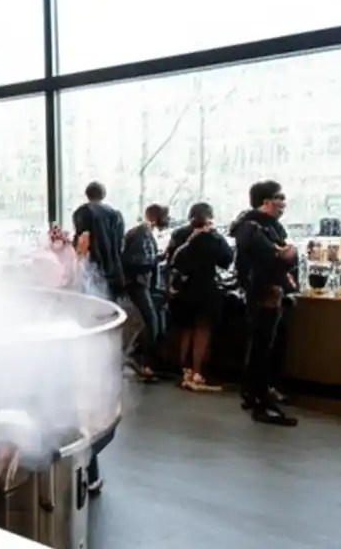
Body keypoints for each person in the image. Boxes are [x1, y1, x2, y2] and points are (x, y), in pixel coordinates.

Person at [231, 180, 299, 427]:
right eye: (279, 198)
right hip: (262, 292)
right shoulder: (252, 227)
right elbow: (276, 257)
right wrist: (285, 254)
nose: (283, 203)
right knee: (261, 347)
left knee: (263, 346)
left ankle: (254, 393)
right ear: (266, 201)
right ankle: (260, 401)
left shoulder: (268, 227)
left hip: (270, 291)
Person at [167, 202, 233, 392]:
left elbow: (171, 259)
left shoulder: (179, 234)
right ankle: (198, 373)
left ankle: (185, 372)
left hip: (183, 289)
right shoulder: (212, 237)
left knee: (186, 329)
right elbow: (226, 260)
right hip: (205, 287)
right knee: (203, 330)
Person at [122, 204, 169, 381]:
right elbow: (134, 260)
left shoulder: (143, 233)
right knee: (151, 321)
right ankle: (142, 361)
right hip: (138, 283)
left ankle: (141, 359)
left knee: (153, 320)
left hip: (141, 282)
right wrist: (153, 261)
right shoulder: (141, 234)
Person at [71, 181, 125, 300]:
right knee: (110, 304)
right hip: (112, 265)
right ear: (103, 195)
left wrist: (77, 263)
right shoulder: (116, 214)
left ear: (87, 194)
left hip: (92, 262)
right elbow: (120, 241)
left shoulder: (83, 212)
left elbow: (83, 239)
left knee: (92, 301)